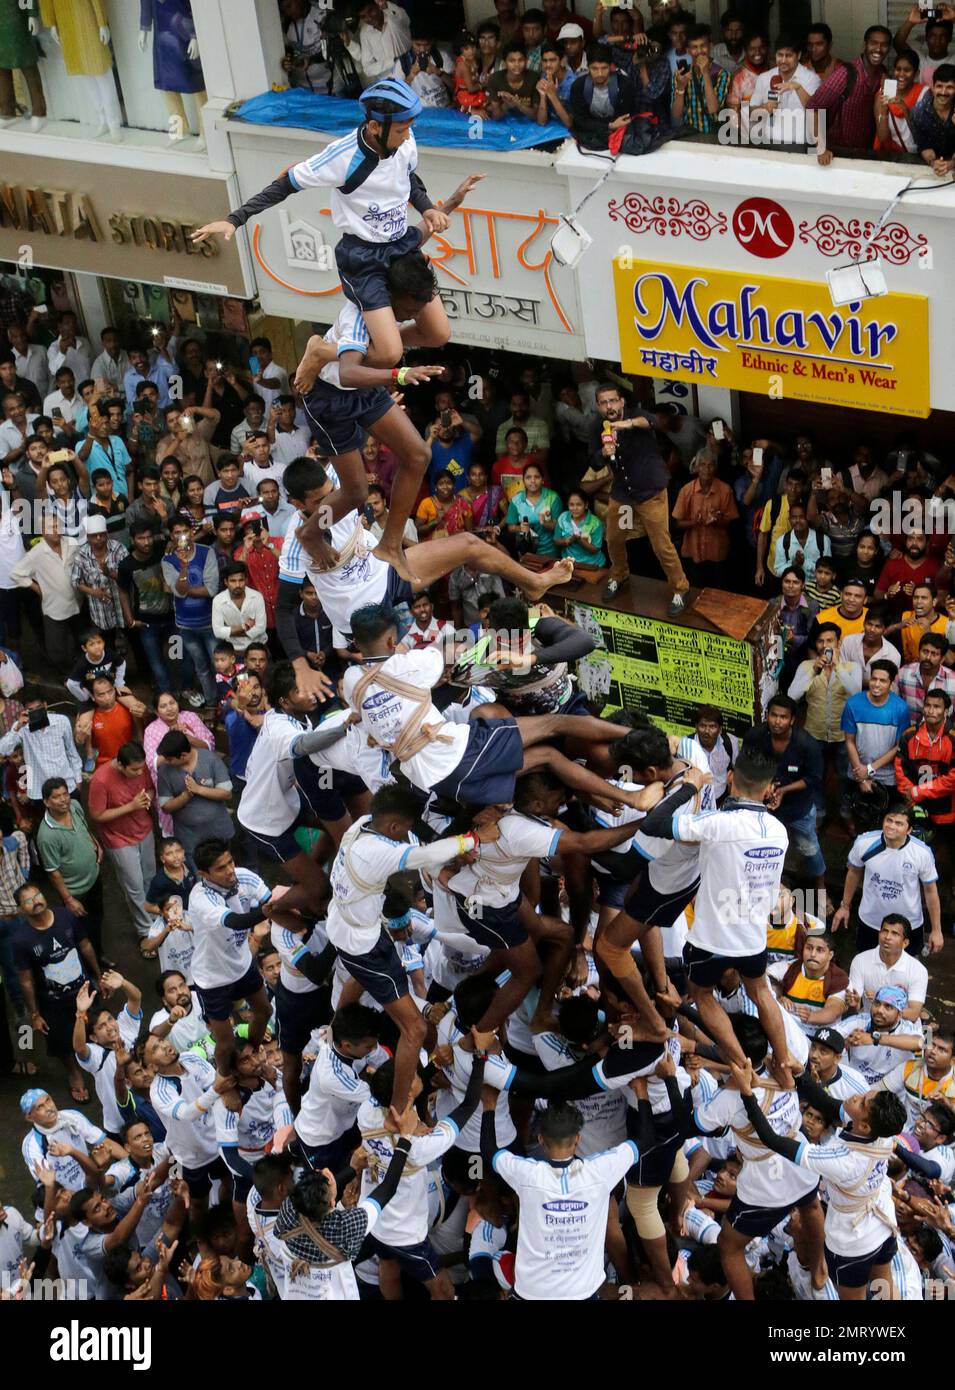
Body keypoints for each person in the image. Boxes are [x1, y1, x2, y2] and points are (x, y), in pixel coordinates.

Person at [732, 1058, 906, 1302]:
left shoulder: (842, 1160)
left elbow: (772, 1140)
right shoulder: (881, 1132)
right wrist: (800, 1074)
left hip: (854, 1242)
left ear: (864, 1126)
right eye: (866, 1095)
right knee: (883, 1288)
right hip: (881, 1223)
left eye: (863, 1102)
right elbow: (829, 1104)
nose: (857, 1096)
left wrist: (747, 1094)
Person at [480, 1093, 640, 1301]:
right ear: (578, 1139)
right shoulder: (600, 1171)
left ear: (540, 1140)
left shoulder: (527, 1174)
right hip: (583, 1292)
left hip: (533, 1292)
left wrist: (489, 1104)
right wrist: (641, 1092)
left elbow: (488, 1150)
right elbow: (643, 1139)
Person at [186, 840, 275, 1094]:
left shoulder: (244, 876)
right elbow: (236, 921)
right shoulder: (200, 898)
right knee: (224, 1043)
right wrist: (268, 911)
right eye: (221, 868)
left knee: (265, 1011)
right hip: (213, 978)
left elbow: (270, 899)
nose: (230, 871)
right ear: (204, 874)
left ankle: (253, 1053)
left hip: (242, 964)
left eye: (230, 863)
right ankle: (225, 1082)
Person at [591, 383, 689, 614]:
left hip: (650, 492)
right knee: (614, 538)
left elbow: (653, 421)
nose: (609, 406)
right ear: (598, 406)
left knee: (660, 544)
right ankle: (619, 574)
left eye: (613, 400)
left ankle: (680, 588)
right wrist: (602, 454)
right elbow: (593, 461)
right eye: (604, 402)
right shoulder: (597, 426)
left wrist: (628, 423)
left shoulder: (636, 414)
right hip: (625, 495)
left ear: (621, 402)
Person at [12, 883, 101, 1104]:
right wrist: (34, 1014)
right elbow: (26, 979)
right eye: (29, 901)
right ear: (21, 909)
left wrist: (99, 976)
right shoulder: (21, 940)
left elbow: (85, 945)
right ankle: (74, 1073)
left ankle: (103, 1063)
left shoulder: (65, 916)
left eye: (38, 895)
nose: (36, 901)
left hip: (83, 992)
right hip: (53, 1003)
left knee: (97, 1028)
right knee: (61, 1043)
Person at [742, 694, 828, 904]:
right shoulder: (756, 736)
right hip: (765, 807)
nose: (777, 721)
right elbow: (747, 765)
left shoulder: (806, 744)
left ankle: (821, 887)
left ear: (792, 720)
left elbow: (814, 779)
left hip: (799, 808)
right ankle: (772, 889)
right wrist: (765, 785)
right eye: (773, 715)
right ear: (767, 715)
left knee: (810, 850)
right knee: (764, 850)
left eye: (783, 717)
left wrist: (783, 790)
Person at [87, 742, 157, 948]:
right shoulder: (101, 779)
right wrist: (132, 806)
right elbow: (97, 814)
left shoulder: (141, 769)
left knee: (150, 878)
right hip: (118, 839)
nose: (138, 772)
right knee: (134, 886)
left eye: (141, 768)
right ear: (120, 765)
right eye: (134, 770)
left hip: (144, 830)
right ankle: (145, 931)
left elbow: (151, 789)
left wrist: (147, 798)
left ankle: (156, 921)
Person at [35, 777, 104, 958]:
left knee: (97, 920)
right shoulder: (47, 835)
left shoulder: (74, 806)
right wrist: (69, 900)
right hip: (76, 891)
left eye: (65, 793)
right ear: (46, 802)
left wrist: (95, 843)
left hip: (94, 878)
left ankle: (100, 955)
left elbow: (84, 827)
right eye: (56, 797)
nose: (63, 799)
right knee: (81, 932)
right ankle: (89, 967)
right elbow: (53, 871)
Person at [808, 25, 892, 162]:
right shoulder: (846, 73)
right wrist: (820, 147)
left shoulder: (883, 74)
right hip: (836, 155)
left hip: (865, 153)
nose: (878, 49)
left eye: (884, 45)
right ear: (864, 45)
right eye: (874, 43)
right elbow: (812, 107)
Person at [840, 659, 911, 811]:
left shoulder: (900, 708)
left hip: (887, 777)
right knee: (857, 816)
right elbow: (849, 741)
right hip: (857, 772)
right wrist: (861, 775)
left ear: (891, 683)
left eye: (883, 680)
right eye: (874, 678)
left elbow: (898, 747)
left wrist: (870, 769)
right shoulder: (853, 703)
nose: (877, 684)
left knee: (885, 819)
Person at [155, 732, 234, 860]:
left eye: (170, 759)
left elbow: (226, 793)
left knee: (222, 867)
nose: (166, 762)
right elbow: (166, 807)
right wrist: (187, 795)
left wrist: (198, 789)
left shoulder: (210, 759)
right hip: (189, 838)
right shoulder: (164, 771)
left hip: (219, 831)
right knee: (197, 874)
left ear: (183, 755)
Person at [843, 915, 931, 1021]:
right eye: (884, 931)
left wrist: (882, 1000)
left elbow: (913, 1014)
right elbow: (854, 1006)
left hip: (903, 1027)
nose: (887, 937)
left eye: (895, 933)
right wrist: (854, 1004)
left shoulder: (918, 970)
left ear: (905, 943)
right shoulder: (860, 960)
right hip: (869, 1021)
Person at [671, 454, 739, 587]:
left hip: (718, 552)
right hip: (693, 550)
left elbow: (730, 521)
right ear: (696, 467)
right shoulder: (686, 490)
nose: (706, 469)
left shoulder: (725, 490)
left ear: (715, 468)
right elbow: (676, 523)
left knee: (718, 592)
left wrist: (717, 521)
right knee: (696, 591)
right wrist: (694, 522)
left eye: (710, 465)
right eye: (702, 465)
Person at [895, 689, 955, 829]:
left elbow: (952, 779)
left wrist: (919, 792)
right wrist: (910, 793)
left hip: (945, 808)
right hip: (914, 803)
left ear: (946, 712)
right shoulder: (909, 735)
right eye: (927, 705)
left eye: (937, 707)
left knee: (943, 847)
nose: (930, 710)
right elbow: (900, 769)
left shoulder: (953, 739)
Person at [569, 43, 634, 148]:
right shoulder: (579, 86)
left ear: (611, 67)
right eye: (594, 68)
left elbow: (626, 118)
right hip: (589, 137)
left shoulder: (624, 85)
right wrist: (609, 126)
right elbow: (579, 120)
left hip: (619, 137)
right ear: (588, 67)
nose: (599, 73)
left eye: (604, 68)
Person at [671, 23, 729, 134]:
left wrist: (706, 74)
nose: (699, 51)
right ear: (688, 51)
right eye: (694, 47)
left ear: (710, 46)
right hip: (689, 135)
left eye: (703, 46)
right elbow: (676, 114)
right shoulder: (680, 75)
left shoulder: (722, 74)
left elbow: (713, 109)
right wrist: (680, 87)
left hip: (714, 135)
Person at [896, 632, 955, 722]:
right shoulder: (903, 673)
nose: (928, 657)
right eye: (925, 652)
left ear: (942, 659)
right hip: (908, 733)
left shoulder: (952, 680)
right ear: (919, 652)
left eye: (934, 654)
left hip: (940, 734)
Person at [911, 61, 955, 174]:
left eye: (949, 87)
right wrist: (933, 162)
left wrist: (952, 163)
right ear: (932, 86)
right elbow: (924, 146)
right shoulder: (919, 112)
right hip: (931, 169)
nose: (943, 92)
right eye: (939, 86)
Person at [553, 490, 604, 565]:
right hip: (569, 563)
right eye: (571, 505)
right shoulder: (563, 518)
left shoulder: (595, 523)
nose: (575, 508)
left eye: (579, 505)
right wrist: (569, 540)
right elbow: (556, 540)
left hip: (592, 564)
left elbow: (595, 549)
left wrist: (580, 540)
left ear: (586, 505)